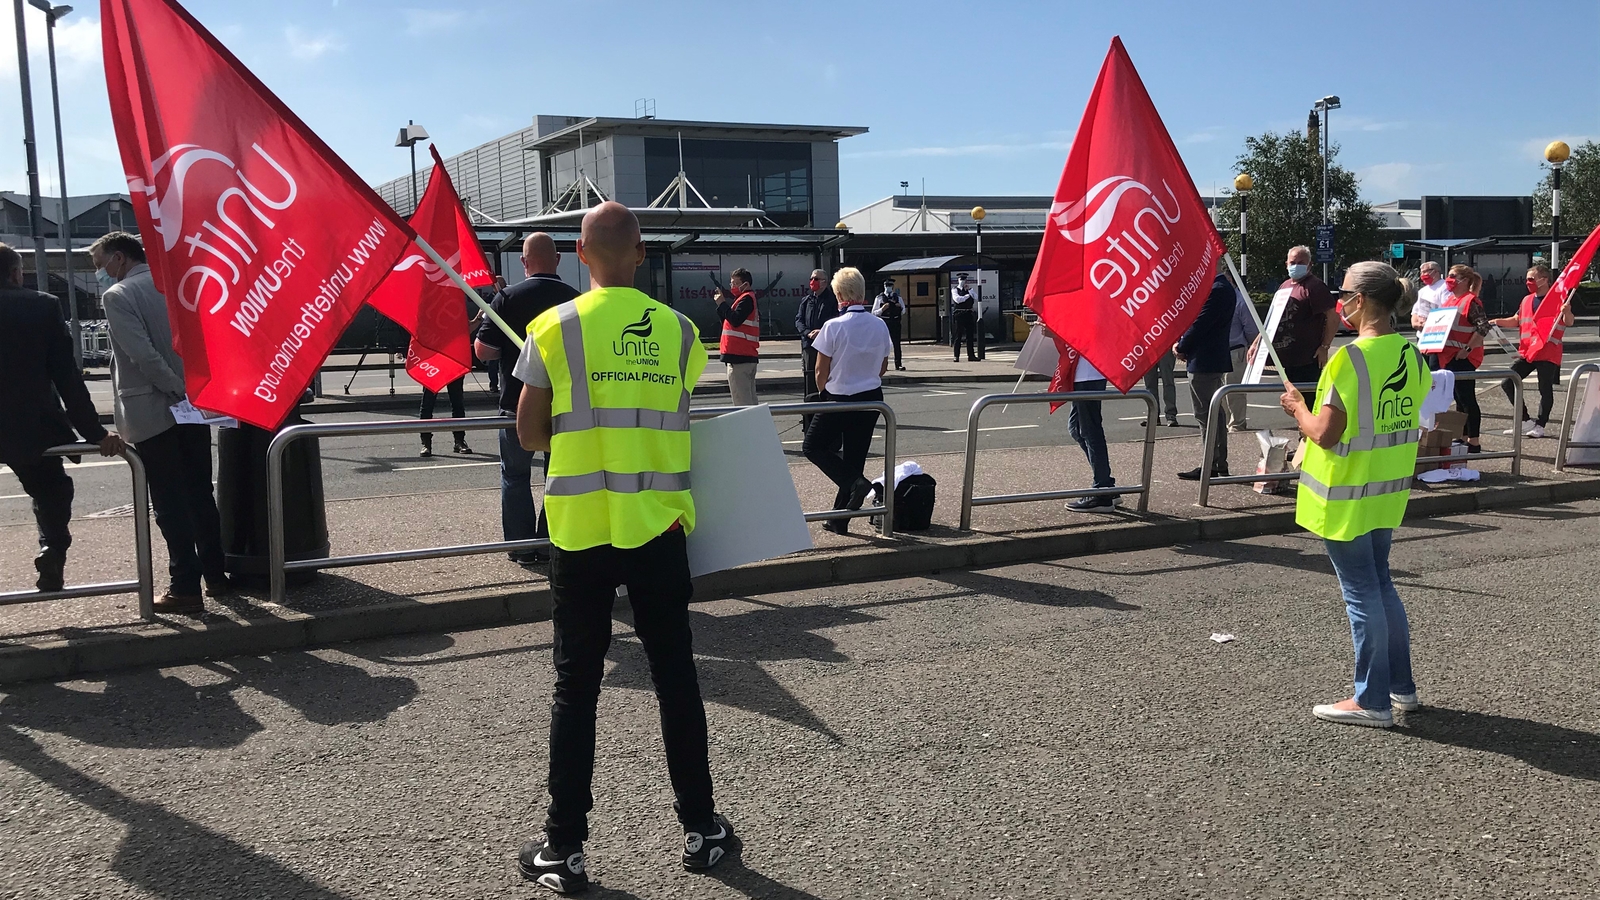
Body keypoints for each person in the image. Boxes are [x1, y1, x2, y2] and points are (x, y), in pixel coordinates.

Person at [512, 201, 732, 892]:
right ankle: (702, 830)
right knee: (676, 680)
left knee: (576, 686)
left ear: (581, 254)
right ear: (640, 253)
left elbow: (528, 435)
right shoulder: (682, 332)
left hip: (580, 531)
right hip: (658, 527)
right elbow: (674, 412)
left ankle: (564, 848)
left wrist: (578, 429)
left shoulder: (551, 328)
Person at [1280, 261, 1429, 729]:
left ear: (1361, 301)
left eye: (1343, 293)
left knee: (1362, 593)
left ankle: (1372, 700)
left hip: (1345, 495)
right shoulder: (1411, 354)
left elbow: (1324, 434)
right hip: (1386, 491)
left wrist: (1298, 407)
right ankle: (1401, 688)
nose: (1338, 301)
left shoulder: (1350, 358)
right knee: (1381, 585)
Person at [91, 232, 229, 613]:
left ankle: (184, 586)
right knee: (200, 492)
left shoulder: (118, 296)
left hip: (155, 410)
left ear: (120, 258)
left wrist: (175, 390)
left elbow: (142, 356)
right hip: (193, 407)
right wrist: (191, 392)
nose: (100, 272)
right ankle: (217, 575)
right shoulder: (177, 288)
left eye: (101, 264)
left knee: (169, 502)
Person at [0, 242, 124, 592]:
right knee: (52, 491)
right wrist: (95, 433)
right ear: (15, 273)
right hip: (33, 426)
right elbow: (67, 378)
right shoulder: (41, 306)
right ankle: (52, 548)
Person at [474, 233, 578, 565]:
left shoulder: (506, 299)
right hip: (564, 406)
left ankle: (521, 547)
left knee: (515, 476)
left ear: (523, 261)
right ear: (558, 259)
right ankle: (551, 543)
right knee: (557, 476)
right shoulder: (576, 301)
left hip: (515, 404)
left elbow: (484, 351)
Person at [804, 267, 893, 535]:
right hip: (871, 400)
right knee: (855, 457)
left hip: (839, 397)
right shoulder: (880, 325)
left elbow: (820, 370)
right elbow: (883, 367)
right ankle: (840, 519)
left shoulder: (832, 326)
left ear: (839, 294)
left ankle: (854, 486)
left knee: (813, 446)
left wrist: (824, 392)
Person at [1491, 262, 1574, 439]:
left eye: (1531, 279)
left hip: (1547, 349)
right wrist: (1497, 321)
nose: (1527, 282)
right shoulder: (1527, 300)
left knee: (1544, 388)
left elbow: (1569, 321)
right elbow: (1517, 320)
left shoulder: (1558, 298)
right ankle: (1525, 420)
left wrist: (1566, 312)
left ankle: (1541, 424)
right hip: (1528, 350)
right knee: (1508, 382)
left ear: (1544, 280)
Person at [1176, 270, 1236, 480]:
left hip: (1204, 360)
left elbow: (1200, 323)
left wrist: (1181, 345)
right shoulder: (1222, 288)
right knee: (1214, 412)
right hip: (1210, 358)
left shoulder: (1217, 290)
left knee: (1205, 414)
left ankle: (1210, 463)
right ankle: (1217, 462)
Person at [1422, 265, 1488, 451]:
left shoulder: (1470, 301)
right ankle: (1463, 436)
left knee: (1467, 399)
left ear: (1465, 280)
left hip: (1462, 357)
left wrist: (1467, 349)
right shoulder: (1450, 300)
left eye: (1452, 276)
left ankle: (1474, 441)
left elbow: (1483, 327)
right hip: (1446, 355)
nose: (1448, 280)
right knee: (1458, 399)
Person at [1260, 245, 1337, 385]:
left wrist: (1325, 347)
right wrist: (1256, 344)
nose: (1296, 266)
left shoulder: (1315, 287)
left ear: (1309, 265)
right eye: (1292, 263)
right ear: (1286, 264)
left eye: (1301, 263)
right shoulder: (1285, 286)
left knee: (1308, 403)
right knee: (1292, 403)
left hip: (1307, 360)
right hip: (1287, 361)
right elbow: (1272, 319)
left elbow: (1333, 317)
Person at [1063, 342, 1119, 512]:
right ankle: (1106, 485)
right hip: (1085, 372)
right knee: (1076, 428)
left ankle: (1102, 491)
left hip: (1088, 372)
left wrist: (1056, 333)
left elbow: (1082, 333)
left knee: (1090, 430)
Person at [418, 292, 473, 457]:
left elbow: (465, 330)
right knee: (428, 403)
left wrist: (478, 319)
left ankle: (459, 441)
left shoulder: (454, 308)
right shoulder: (428, 310)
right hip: (434, 362)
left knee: (457, 402)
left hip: (453, 360)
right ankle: (426, 443)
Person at [715, 267, 759, 405]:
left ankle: (747, 427)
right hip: (744, 356)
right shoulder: (743, 299)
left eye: (735, 283)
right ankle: (754, 426)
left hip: (740, 357)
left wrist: (722, 304)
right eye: (731, 283)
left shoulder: (746, 299)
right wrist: (722, 308)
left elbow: (735, 320)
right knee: (749, 401)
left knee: (742, 403)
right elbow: (729, 321)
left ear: (745, 284)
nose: (732, 286)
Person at [794, 269, 838, 396]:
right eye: (811, 279)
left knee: (825, 377)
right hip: (809, 345)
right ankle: (809, 413)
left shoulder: (832, 300)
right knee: (809, 379)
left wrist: (822, 331)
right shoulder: (806, 300)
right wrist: (807, 332)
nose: (813, 281)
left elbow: (836, 319)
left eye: (816, 279)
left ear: (824, 282)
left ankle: (825, 408)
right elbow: (798, 320)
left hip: (826, 345)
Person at [1225, 285, 1260, 431]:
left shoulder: (1241, 301)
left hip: (1235, 351)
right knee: (1221, 393)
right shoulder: (1238, 300)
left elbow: (1252, 330)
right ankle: (1225, 425)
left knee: (1234, 392)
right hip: (1220, 351)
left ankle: (1237, 425)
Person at [871, 277, 907, 371]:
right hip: (884, 323)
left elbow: (903, 310)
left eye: (890, 285)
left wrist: (898, 307)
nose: (888, 287)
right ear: (884, 286)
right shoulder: (879, 298)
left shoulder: (898, 298)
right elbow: (874, 312)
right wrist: (882, 309)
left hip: (895, 322)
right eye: (887, 285)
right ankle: (882, 365)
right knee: (882, 345)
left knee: (897, 344)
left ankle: (898, 364)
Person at [1142, 349, 1180, 427]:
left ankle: (1171, 415)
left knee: (1168, 382)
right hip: (1147, 350)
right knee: (1149, 385)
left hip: (1165, 347)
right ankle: (1153, 416)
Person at [950, 273, 978, 362]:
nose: (962, 281)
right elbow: (958, 300)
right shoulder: (954, 290)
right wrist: (967, 296)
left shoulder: (970, 290)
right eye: (960, 280)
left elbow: (976, 297)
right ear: (958, 280)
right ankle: (956, 356)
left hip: (968, 313)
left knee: (970, 336)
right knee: (958, 335)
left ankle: (971, 355)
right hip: (959, 314)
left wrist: (969, 291)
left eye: (964, 280)